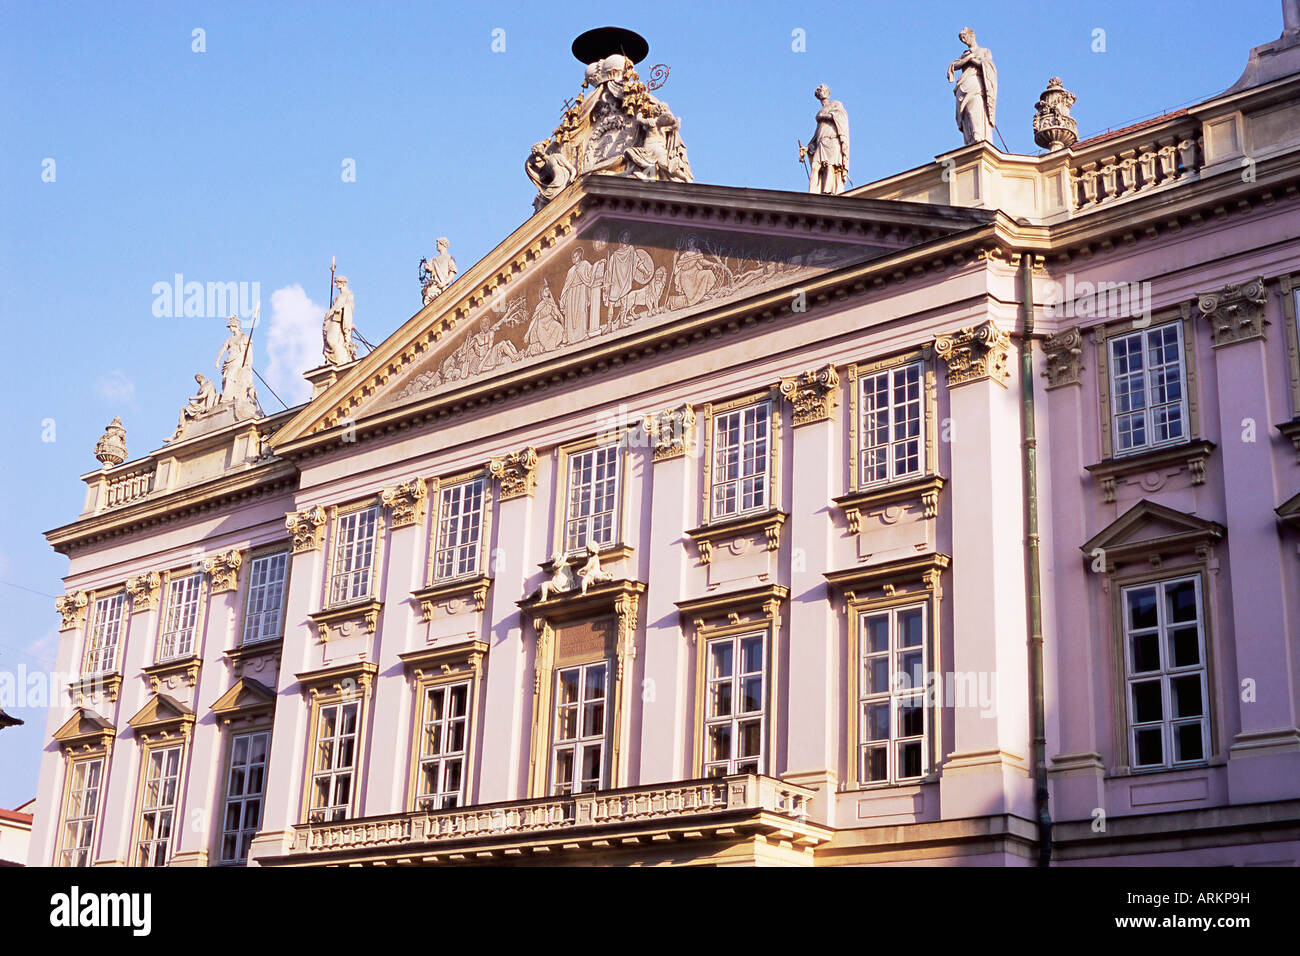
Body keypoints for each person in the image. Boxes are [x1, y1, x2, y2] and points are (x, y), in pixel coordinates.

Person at [947, 28, 997, 146]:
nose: (963, 40)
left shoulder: (984, 51)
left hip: (976, 85)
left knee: (974, 110)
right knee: (966, 116)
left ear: (972, 36)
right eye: (961, 39)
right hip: (963, 86)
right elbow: (954, 65)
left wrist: (972, 59)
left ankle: (978, 136)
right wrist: (968, 58)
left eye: (964, 37)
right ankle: (970, 141)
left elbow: (987, 65)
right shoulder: (965, 54)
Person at [800, 84, 850, 194]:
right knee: (815, 167)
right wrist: (807, 148)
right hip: (821, 142)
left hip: (832, 140)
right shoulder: (821, 112)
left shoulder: (835, 104)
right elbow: (817, 135)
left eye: (823, 90)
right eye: (819, 91)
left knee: (829, 166)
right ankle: (812, 193)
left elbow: (840, 117)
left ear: (828, 92)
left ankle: (827, 193)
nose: (821, 92)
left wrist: (823, 116)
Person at [170, 374, 219, 440]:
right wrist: (193, 403)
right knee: (185, 416)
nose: (197, 379)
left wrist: (193, 398)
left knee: (183, 409)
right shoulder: (201, 388)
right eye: (196, 378)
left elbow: (204, 396)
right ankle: (175, 434)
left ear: (202, 377)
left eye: (198, 377)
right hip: (198, 406)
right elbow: (199, 400)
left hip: (202, 407)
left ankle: (178, 431)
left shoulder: (208, 384)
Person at [323, 275, 356, 365]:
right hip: (331, 321)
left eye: (337, 282)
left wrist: (346, 329)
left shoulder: (348, 294)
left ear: (342, 283)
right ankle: (335, 360)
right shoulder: (336, 298)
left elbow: (348, 310)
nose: (336, 284)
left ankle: (340, 360)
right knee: (330, 341)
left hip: (337, 322)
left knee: (332, 341)